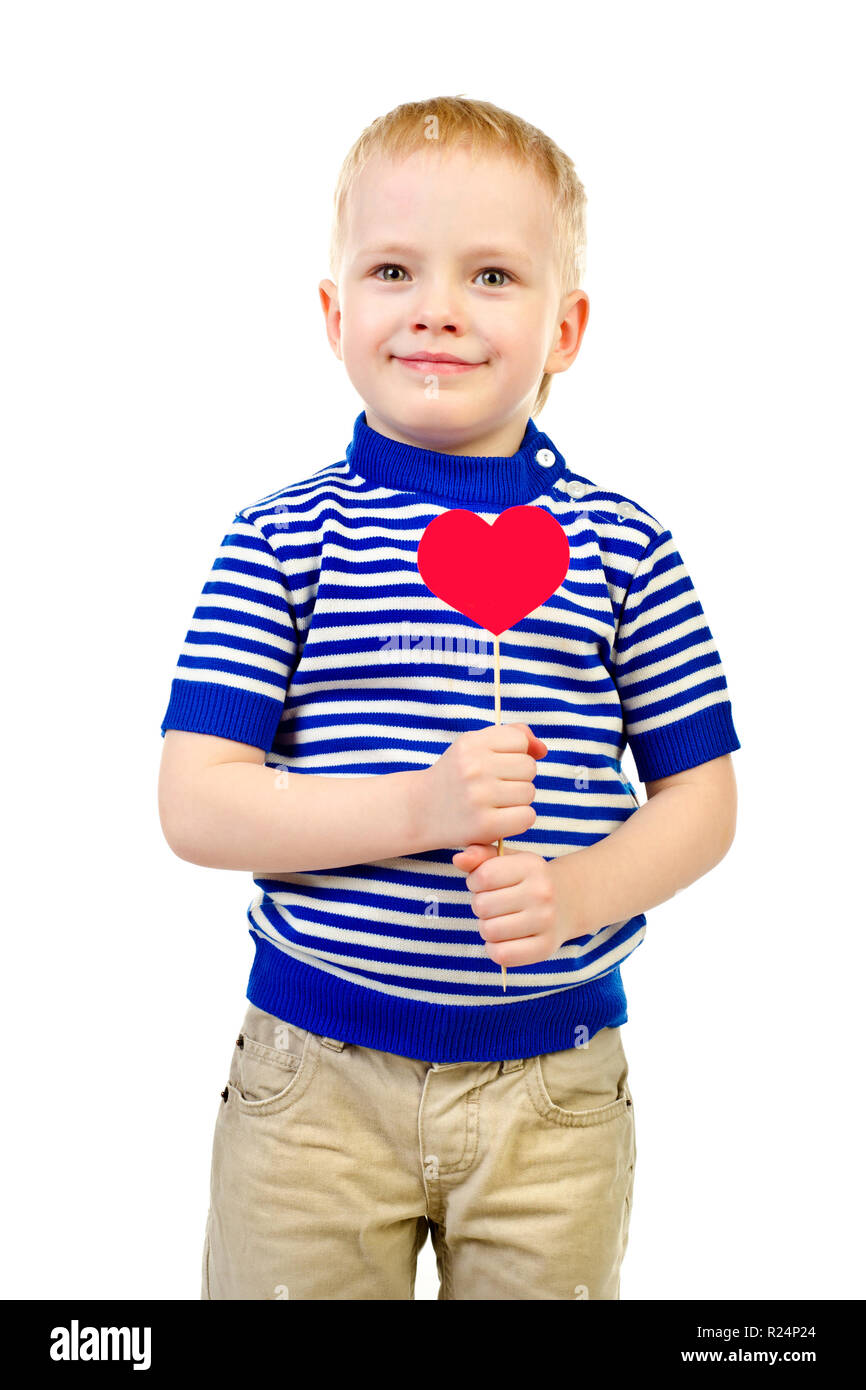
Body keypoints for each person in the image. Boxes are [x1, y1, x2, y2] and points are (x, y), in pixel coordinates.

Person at [158, 95, 741, 1301]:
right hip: (314, 1082)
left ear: (564, 327)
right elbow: (196, 805)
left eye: (488, 274)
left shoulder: (623, 546)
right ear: (332, 316)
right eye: (390, 269)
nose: (433, 307)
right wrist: (418, 806)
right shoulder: (282, 538)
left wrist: (581, 891)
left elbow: (703, 797)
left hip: (553, 1091)